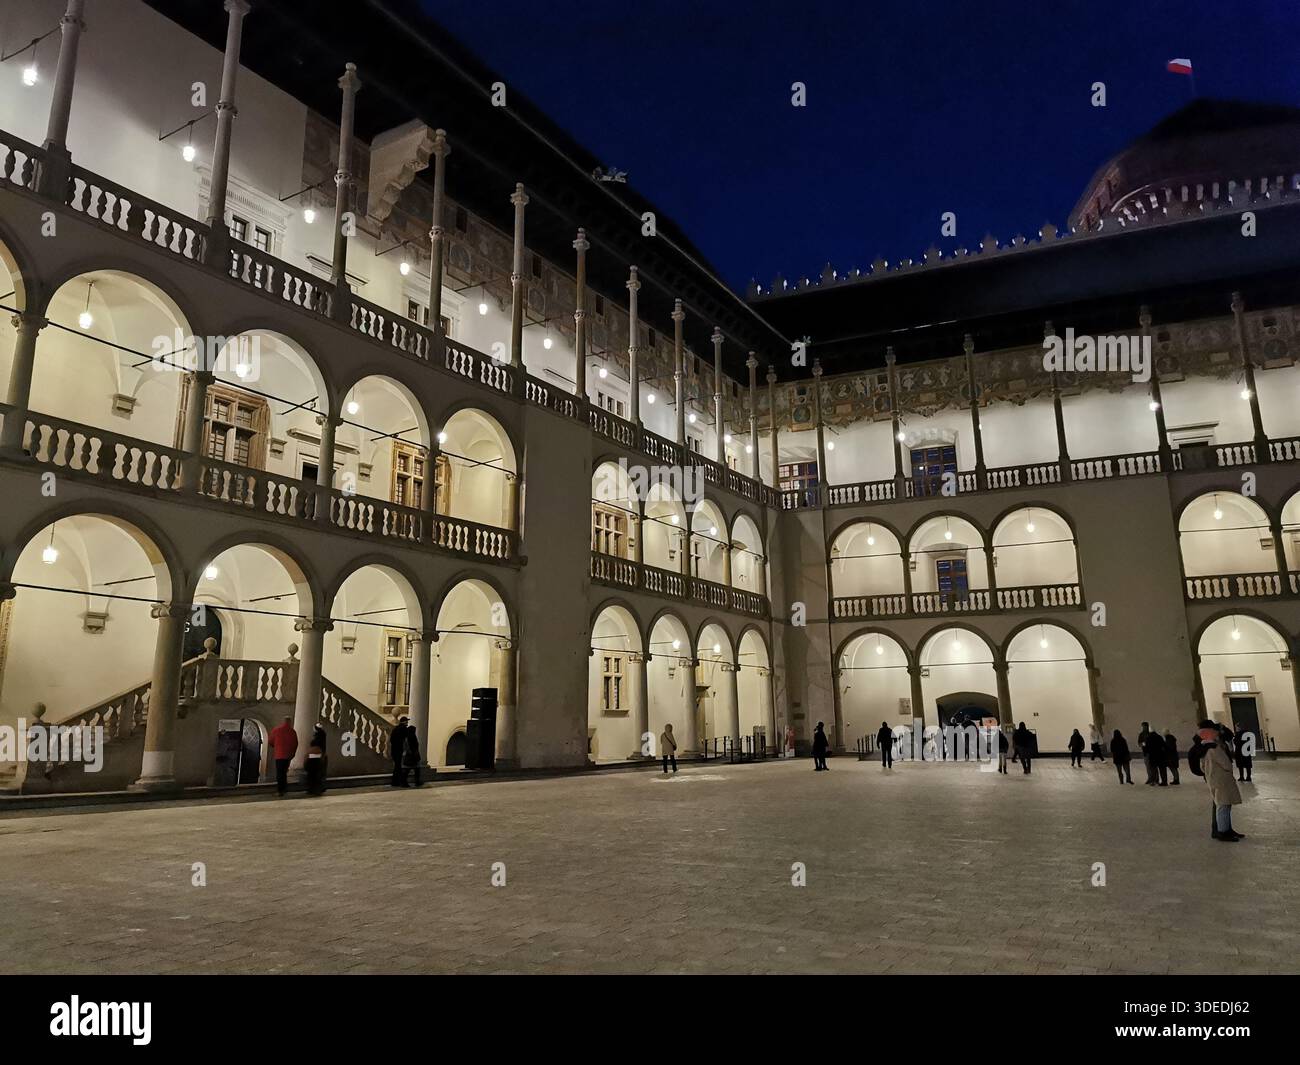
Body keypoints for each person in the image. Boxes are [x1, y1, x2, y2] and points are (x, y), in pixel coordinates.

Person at [1198, 720, 1245, 842]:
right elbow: (1226, 764)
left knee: (1223, 804)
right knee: (1223, 805)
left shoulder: (1203, 747)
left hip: (1213, 778)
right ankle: (1223, 831)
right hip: (1221, 779)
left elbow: (1201, 767)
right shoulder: (1214, 748)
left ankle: (1226, 829)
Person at [268, 715, 298, 797]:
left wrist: (276, 746)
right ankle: (284, 789)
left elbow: (270, 741)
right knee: (284, 772)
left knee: (280, 773)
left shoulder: (277, 730)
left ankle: (280, 790)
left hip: (279, 755)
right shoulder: (292, 732)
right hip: (288, 756)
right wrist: (292, 754)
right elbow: (295, 744)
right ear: (290, 722)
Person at [305, 725, 327, 796]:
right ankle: (318, 788)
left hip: (313, 758)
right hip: (319, 756)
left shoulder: (316, 739)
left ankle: (312, 789)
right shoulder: (323, 736)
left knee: (312, 775)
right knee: (319, 774)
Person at [389, 716, 410, 787]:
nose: (407, 722)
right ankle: (400, 782)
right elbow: (407, 740)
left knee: (397, 766)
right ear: (403, 722)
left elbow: (391, 740)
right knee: (399, 767)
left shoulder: (395, 729)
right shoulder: (404, 729)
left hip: (394, 750)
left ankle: (395, 782)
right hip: (399, 750)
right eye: (406, 721)